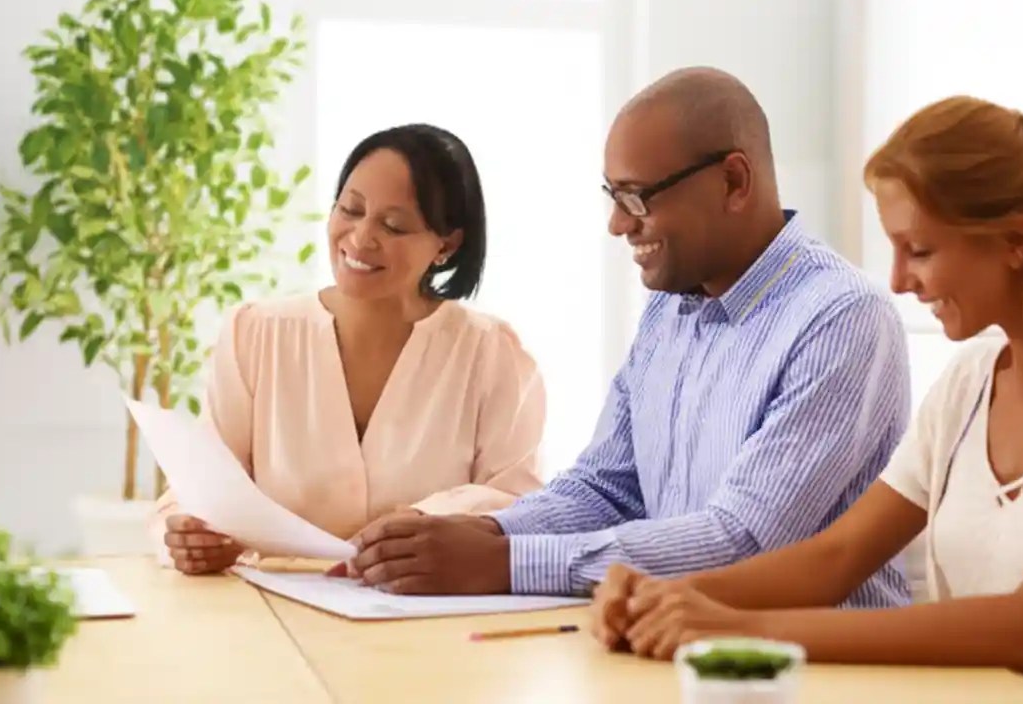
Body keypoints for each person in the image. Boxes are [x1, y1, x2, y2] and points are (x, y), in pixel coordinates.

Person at [589, 96, 1023, 703]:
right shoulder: (970, 382)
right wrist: (672, 594)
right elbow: (837, 555)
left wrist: (745, 628)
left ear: (1016, 243)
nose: (896, 281)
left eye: (919, 250)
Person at [340, 67, 912, 602]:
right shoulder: (669, 309)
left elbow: (744, 540)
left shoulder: (841, 319)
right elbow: (608, 488)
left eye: (637, 197)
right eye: (612, 196)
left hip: (820, 672)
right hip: (682, 650)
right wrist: (473, 533)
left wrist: (502, 561)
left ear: (734, 181)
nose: (617, 224)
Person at [155, 124, 545, 575]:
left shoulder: (492, 354)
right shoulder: (256, 333)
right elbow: (199, 486)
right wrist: (192, 533)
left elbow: (518, 500)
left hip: (426, 616)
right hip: (271, 614)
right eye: (351, 209)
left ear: (447, 243)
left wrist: (427, 519)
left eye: (394, 225)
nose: (360, 239)